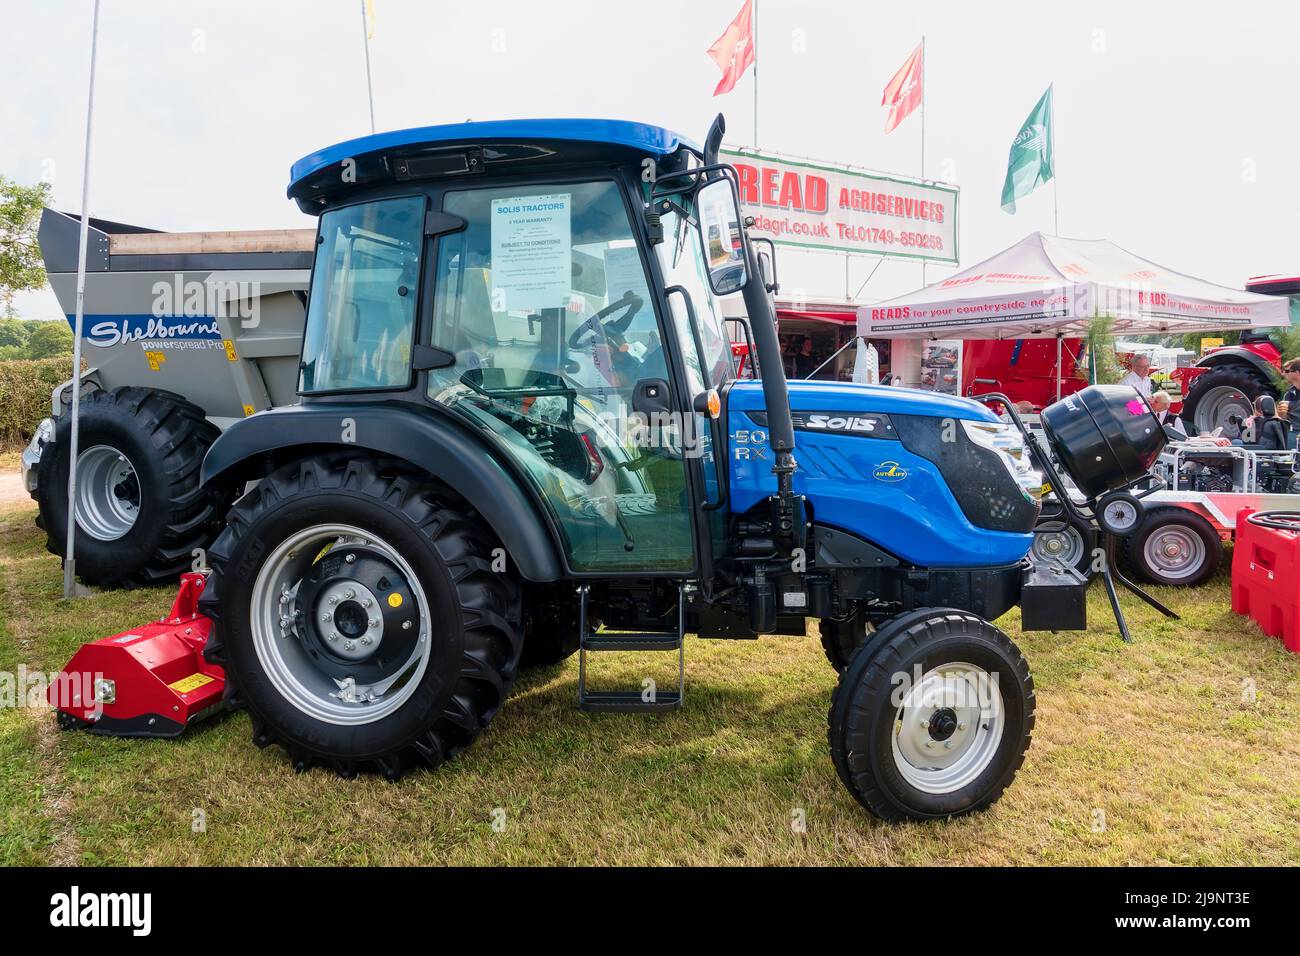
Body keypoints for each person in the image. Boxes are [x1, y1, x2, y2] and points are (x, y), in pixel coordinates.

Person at [1281, 357, 1300, 441]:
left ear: (1297, 373)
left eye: (1287, 371)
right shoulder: (1288, 394)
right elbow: (1285, 420)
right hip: (1293, 434)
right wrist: (1282, 414)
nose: (1283, 374)